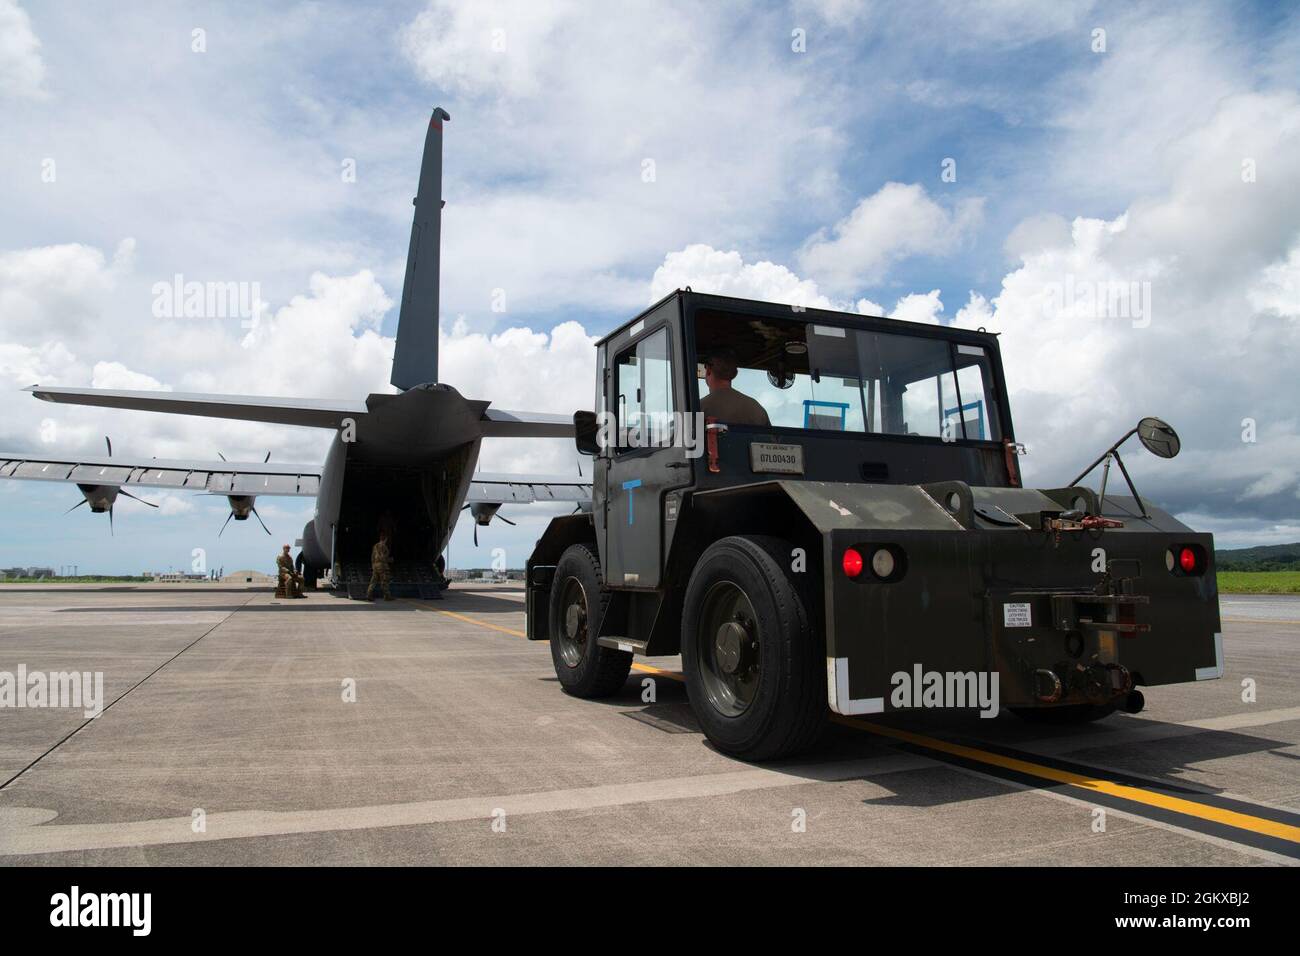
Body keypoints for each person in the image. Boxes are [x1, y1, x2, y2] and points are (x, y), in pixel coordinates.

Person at [701, 348, 771, 427]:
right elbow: (771, 438)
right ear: (734, 372)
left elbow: (691, 437)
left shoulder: (699, 407)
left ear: (709, 370)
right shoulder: (756, 408)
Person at [367, 530, 394, 602]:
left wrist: (373, 565)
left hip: (375, 565)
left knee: (373, 581)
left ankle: (369, 594)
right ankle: (387, 596)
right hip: (382, 566)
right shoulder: (383, 547)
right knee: (384, 581)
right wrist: (389, 560)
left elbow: (372, 557)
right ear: (385, 539)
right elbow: (382, 557)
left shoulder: (375, 546)